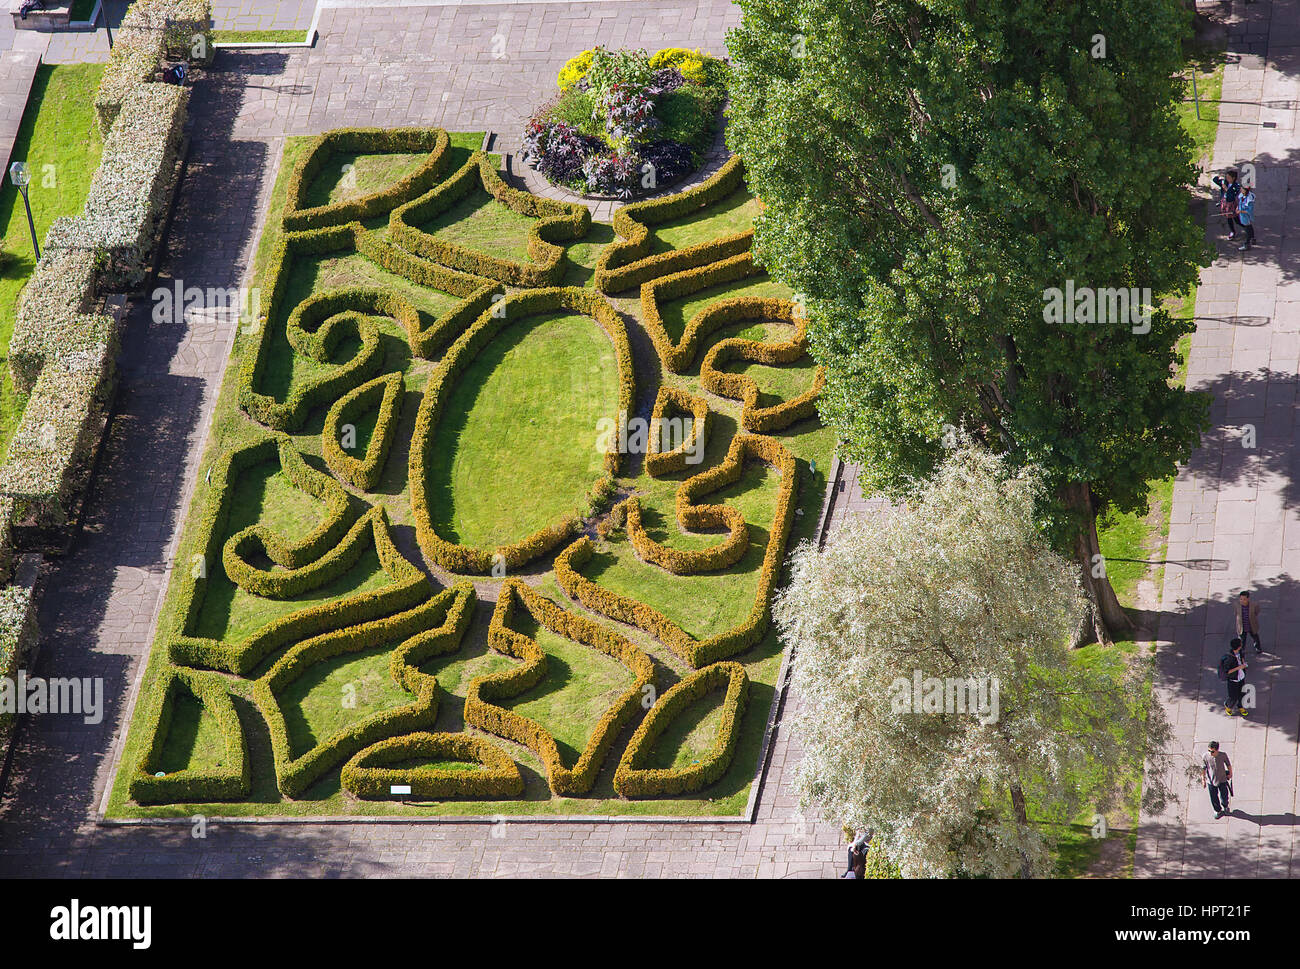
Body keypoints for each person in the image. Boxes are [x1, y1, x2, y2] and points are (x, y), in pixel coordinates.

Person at [1202, 741, 1233, 819]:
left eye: (1212, 751)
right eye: (1209, 751)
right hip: (1211, 781)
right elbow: (1203, 768)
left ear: (1217, 750)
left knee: (1224, 796)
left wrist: (1230, 773)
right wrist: (1203, 779)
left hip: (1222, 779)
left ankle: (1225, 806)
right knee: (1213, 798)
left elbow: (1228, 764)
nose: (1210, 753)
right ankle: (1218, 810)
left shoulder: (1223, 755)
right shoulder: (1205, 756)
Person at [1222, 638, 1249, 716]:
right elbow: (1227, 671)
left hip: (1241, 677)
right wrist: (1239, 667)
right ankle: (1228, 706)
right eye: (1241, 644)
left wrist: (1243, 663)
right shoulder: (1229, 658)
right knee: (1233, 697)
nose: (1242, 645)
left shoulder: (1240, 652)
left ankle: (1240, 706)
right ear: (1238, 646)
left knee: (1242, 694)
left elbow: (1242, 657)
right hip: (1233, 680)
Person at [1212, 169, 1241, 240]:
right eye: (1226, 177)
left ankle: (1246, 227)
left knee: (1236, 219)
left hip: (1231, 204)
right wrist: (1217, 177)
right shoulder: (1225, 182)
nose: (1227, 179)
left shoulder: (1236, 186)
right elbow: (1215, 180)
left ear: (1233, 178)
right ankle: (1232, 232)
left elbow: (1233, 195)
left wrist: (1227, 189)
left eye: (1228, 178)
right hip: (1225, 203)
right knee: (1228, 218)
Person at [1237, 183, 1256, 251]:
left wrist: (1240, 211)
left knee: (1247, 230)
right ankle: (1253, 238)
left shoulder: (1249, 199)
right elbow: (1240, 203)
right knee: (1249, 227)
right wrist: (1237, 208)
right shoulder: (1242, 195)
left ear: (1245, 190)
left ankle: (1246, 244)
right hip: (1242, 216)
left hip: (1246, 217)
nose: (1240, 190)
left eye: (1242, 189)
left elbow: (1249, 210)